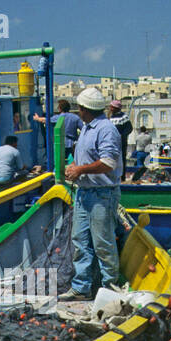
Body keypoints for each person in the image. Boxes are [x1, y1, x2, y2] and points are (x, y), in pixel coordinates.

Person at [60, 87, 122, 300]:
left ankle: (110, 288)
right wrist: (76, 167)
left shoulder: (106, 129)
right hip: (85, 194)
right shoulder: (87, 128)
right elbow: (89, 158)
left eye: (80, 108)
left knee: (103, 243)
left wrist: (80, 170)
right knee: (80, 241)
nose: (78, 111)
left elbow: (108, 163)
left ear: (85, 109)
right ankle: (81, 287)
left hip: (102, 195)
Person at [33, 98, 81, 163]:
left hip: (60, 143)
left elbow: (46, 120)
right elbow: (83, 128)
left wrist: (37, 118)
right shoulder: (75, 117)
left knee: (59, 162)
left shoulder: (58, 117)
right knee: (73, 161)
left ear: (60, 108)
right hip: (73, 144)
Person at [108, 99, 132, 170]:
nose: (110, 109)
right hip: (112, 142)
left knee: (121, 160)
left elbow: (129, 128)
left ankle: (122, 176)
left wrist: (122, 136)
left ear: (116, 108)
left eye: (112, 107)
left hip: (121, 143)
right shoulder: (111, 117)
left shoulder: (123, 117)